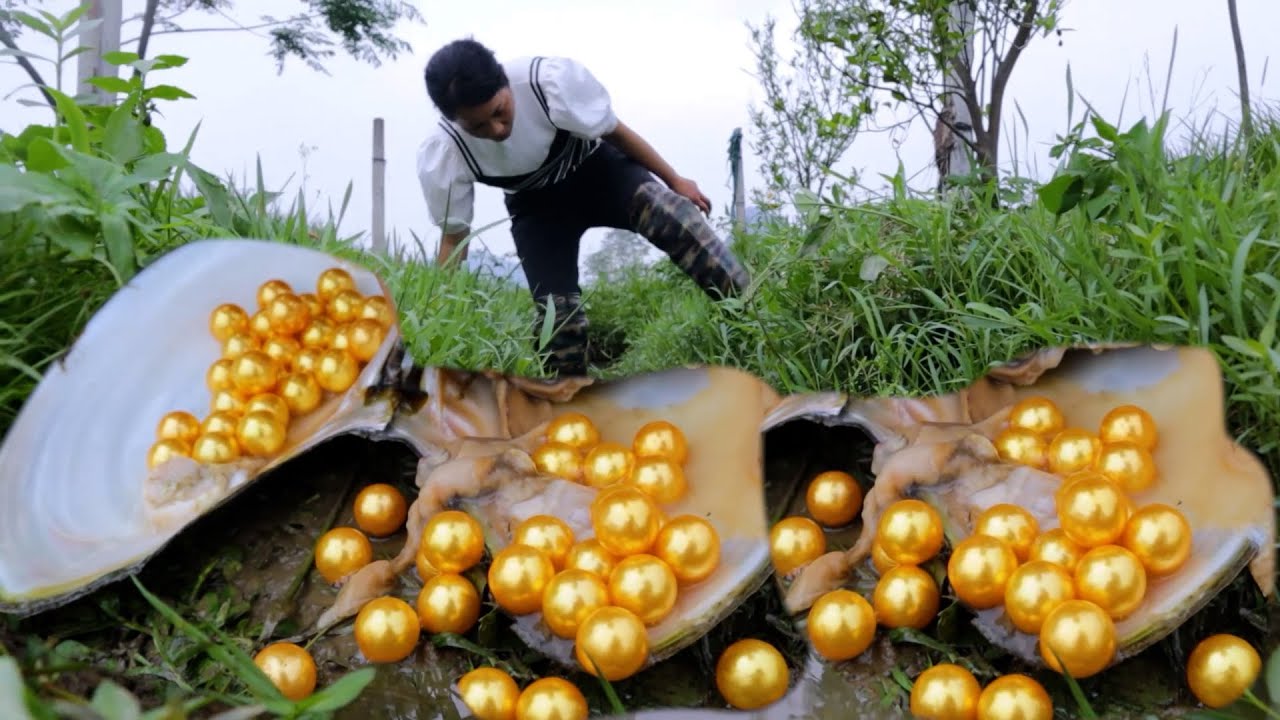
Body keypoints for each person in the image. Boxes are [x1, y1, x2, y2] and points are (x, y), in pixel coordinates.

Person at [416, 38, 751, 377]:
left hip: (600, 174)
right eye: (478, 127)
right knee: (558, 322)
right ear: (456, 121)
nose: (497, 129)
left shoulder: (545, 82)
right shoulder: (447, 150)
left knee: (672, 217)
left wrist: (674, 180)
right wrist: (441, 314)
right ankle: (569, 407)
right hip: (537, 213)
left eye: (499, 112)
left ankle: (754, 321)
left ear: (504, 81)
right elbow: (453, 237)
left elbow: (615, 132)